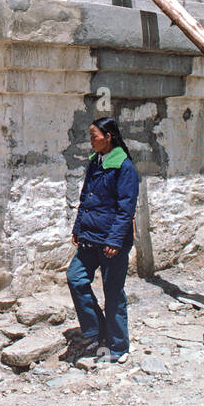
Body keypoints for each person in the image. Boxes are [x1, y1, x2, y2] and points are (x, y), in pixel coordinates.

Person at [67, 118, 140, 363]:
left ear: (109, 136)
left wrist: (116, 241)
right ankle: (97, 330)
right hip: (90, 237)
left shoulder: (124, 167)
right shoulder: (94, 163)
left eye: (94, 135)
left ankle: (118, 345)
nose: (90, 140)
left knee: (113, 292)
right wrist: (78, 227)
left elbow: (125, 209)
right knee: (75, 278)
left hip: (111, 241)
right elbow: (85, 198)